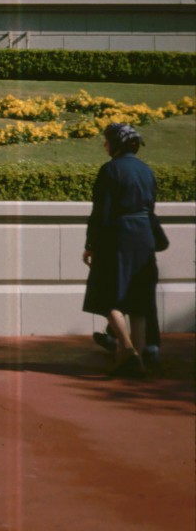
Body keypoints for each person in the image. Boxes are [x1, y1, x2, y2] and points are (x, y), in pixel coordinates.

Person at [81, 122, 161, 377]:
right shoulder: (147, 170)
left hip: (117, 238)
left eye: (106, 140)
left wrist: (90, 244)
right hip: (143, 237)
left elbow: (100, 212)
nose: (104, 144)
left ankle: (127, 350)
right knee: (139, 301)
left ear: (115, 144)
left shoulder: (110, 170)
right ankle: (136, 362)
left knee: (106, 296)